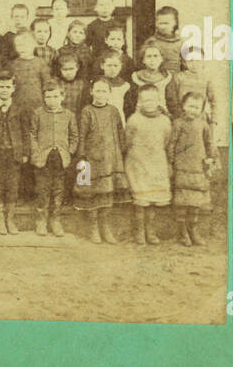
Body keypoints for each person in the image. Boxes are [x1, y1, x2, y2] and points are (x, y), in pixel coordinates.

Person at [74, 77, 129, 244]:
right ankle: (93, 227)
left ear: (109, 93)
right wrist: (82, 157)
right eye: (97, 90)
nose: (100, 94)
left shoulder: (113, 111)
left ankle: (105, 226)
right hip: (91, 159)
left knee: (107, 193)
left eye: (104, 91)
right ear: (91, 92)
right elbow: (82, 135)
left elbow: (120, 133)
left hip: (110, 159)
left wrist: (121, 152)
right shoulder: (87, 111)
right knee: (91, 193)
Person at [124, 85, 174, 245]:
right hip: (138, 162)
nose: (149, 103)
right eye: (145, 100)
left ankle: (150, 230)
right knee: (141, 199)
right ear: (139, 101)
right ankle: (139, 231)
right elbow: (127, 141)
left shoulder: (165, 120)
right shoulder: (134, 119)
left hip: (157, 162)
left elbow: (167, 141)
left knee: (152, 199)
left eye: (152, 99)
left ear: (158, 100)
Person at [28, 81, 77, 238]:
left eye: (55, 96)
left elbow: (74, 136)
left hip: (61, 158)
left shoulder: (69, 115)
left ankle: (56, 220)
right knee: (43, 189)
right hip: (43, 158)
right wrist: (35, 153)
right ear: (44, 98)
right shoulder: (38, 113)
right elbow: (32, 134)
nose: (52, 100)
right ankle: (41, 220)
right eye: (48, 97)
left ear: (62, 96)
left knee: (58, 190)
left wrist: (69, 151)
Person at [168, 91, 216, 246]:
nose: (192, 110)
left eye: (196, 107)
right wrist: (171, 162)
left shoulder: (203, 124)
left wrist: (210, 160)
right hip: (182, 167)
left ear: (201, 109)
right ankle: (182, 232)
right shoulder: (178, 123)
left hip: (198, 167)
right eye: (190, 106)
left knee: (195, 203)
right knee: (182, 202)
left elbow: (209, 143)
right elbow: (172, 144)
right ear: (183, 106)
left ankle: (193, 230)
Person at [0, 71, 27, 236]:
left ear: (13, 88)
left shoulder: (20, 108)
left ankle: (10, 219)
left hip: (14, 153)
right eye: (1, 87)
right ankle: (0, 218)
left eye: (7, 87)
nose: (4, 90)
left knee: (12, 185)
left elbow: (25, 132)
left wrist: (25, 152)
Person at [143, 6, 187, 76]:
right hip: (157, 78)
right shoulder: (151, 42)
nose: (163, 27)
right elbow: (144, 63)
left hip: (176, 78)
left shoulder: (181, 42)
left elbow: (186, 65)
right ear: (156, 24)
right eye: (160, 23)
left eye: (166, 23)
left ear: (175, 23)